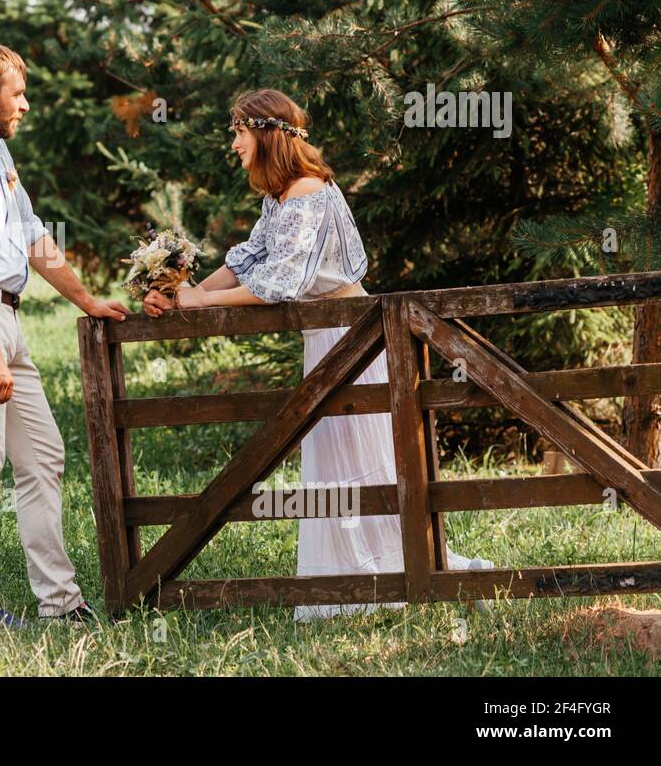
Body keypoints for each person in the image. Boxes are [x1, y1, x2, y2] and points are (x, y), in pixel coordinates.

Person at [143, 88, 493, 620]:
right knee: (333, 457)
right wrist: (178, 295)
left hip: (350, 337)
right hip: (323, 337)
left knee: (363, 454)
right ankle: (349, 577)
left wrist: (201, 298)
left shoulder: (308, 191)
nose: (234, 143)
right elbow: (247, 261)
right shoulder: (280, 198)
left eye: (239, 131)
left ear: (266, 134)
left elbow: (280, 281)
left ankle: (390, 569)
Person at [0, 38, 130, 628]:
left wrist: (89, 301)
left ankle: (60, 604)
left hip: (5, 317)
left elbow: (33, 235)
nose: (26, 105)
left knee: (42, 456)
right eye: (18, 94)